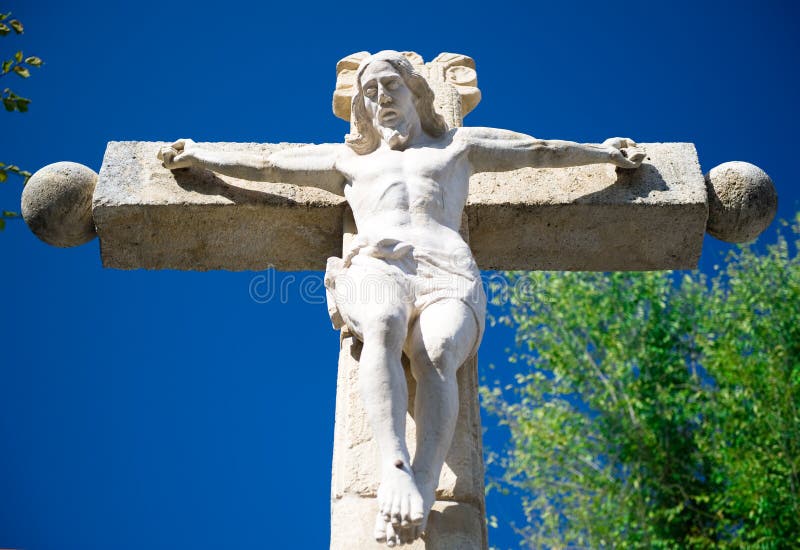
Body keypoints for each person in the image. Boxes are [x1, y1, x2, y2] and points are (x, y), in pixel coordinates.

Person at [158, 50, 644, 547]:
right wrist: (201, 155)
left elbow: (538, 151)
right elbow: (269, 165)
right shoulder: (349, 160)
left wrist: (604, 153)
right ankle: (394, 467)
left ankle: (424, 482)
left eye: (389, 85)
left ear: (416, 92)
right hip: (378, 263)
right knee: (384, 326)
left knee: (437, 354)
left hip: (447, 269)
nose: (379, 97)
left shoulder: (458, 147)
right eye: (369, 92)